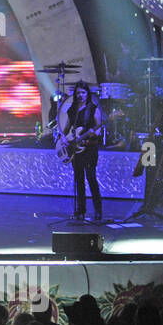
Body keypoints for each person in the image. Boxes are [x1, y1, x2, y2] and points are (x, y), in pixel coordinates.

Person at [61, 83, 104, 222]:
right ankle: (81, 210)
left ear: (87, 94)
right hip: (77, 150)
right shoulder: (72, 109)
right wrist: (63, 137)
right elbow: (66, 128)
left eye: (83, 93)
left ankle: (98, 211)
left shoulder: (93, 109)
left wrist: (91, 135)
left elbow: (98, 128)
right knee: (79, 180)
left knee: (91, 178)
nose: (81, 95)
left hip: (90, 148)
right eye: (78, 93)